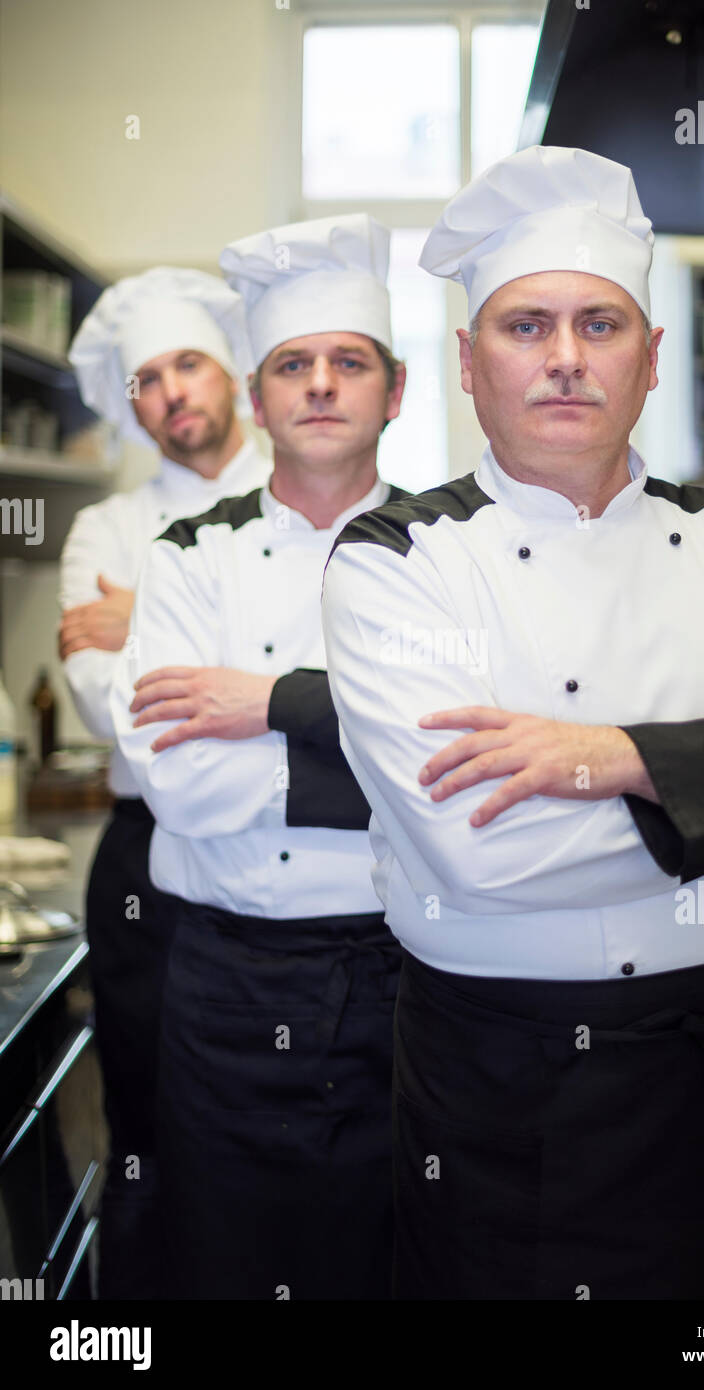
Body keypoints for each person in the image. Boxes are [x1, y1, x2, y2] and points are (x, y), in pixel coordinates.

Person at [320, 146, 704, 1300]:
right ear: (468, 363)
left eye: (600, 324)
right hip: (496, 1078)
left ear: (653, 356)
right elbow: (478, 849)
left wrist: (609, 758)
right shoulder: (396, 560)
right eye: (526, 327)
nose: (566, 358)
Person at [110, 214, 409, 1300]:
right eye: (294, 363)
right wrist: (373, 747)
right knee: (222, 1261)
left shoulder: (448, 548)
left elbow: (457, 766)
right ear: (259, 388)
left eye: (348, 362)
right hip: (224, 981)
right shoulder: (192, 555)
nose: (321, 384)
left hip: (404, 977)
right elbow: (173, 774)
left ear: (398, 388)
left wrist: (269, 705)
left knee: (385, 1261)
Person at [61, 268, 269, 1299]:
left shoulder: (307, 491)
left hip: (313, 862)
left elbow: (360, 691)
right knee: (148, 1131)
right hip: (147, 872)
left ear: (227, 369)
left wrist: (146, 620)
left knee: (291, 1133)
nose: (174, 390)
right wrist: (276, 694)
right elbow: (127, 720)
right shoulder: (104, 532)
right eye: (148, 377)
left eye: (189, 362)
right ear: (131, 402)